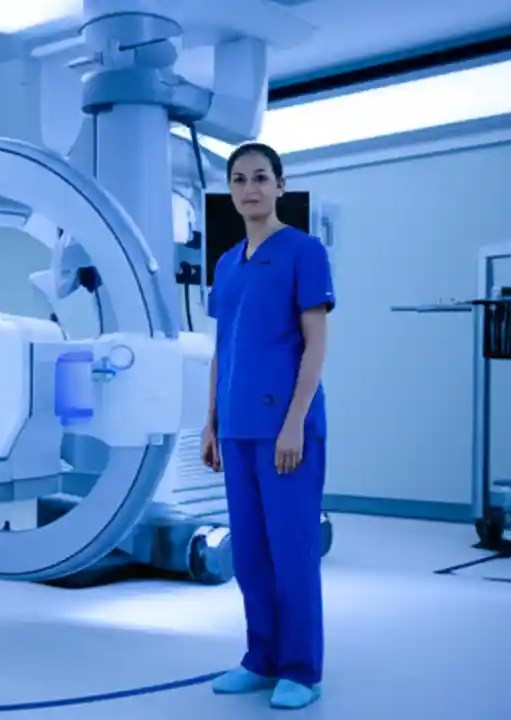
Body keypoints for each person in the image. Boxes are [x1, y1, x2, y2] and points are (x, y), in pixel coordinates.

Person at [201, 141, 334, 711]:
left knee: (292, 550)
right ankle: (261, 658)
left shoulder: (305, 252)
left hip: (287, 428)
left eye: (260, 178)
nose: (249, 189)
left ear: (280, 185)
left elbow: (315, 344)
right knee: (250, 553)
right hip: (236, 428)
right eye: (238, 180)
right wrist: (208, 422)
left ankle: (300, 669)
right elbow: (221, 348)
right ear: (230, 191)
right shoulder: (228, 263)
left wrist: (294, 422)